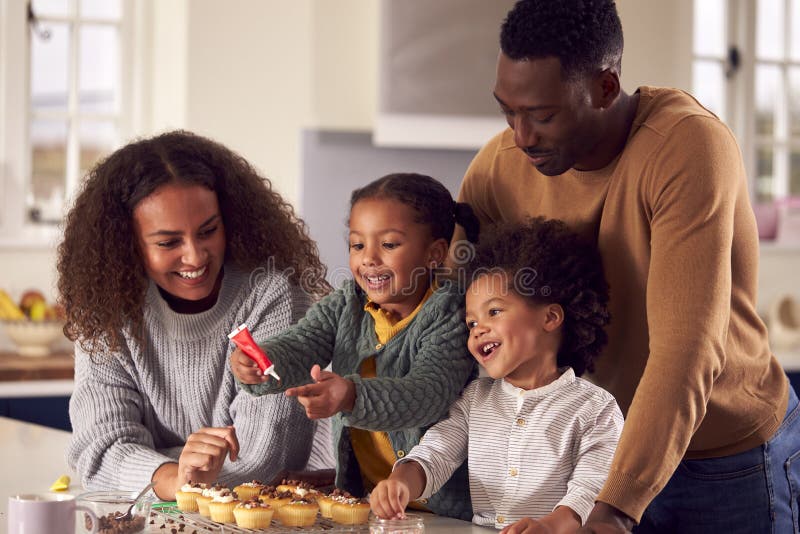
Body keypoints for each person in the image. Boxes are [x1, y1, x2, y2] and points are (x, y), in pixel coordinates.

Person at [452, 1, 800, 532]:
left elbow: (686, 353)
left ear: (606, 88)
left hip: (720, 458)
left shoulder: (686, 147)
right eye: (508, 112)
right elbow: (438, 309)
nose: (521, 136)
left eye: (542, 115)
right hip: (596, 457)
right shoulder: (501, 166)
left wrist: (612, 510)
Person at [59, 130, 335, 501]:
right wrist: (176, 476)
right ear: (127, 244)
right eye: (168, 242)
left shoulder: (274, 296)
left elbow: (266, 464)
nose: (195, 257)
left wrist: (151, 469)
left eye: (208, 231)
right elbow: (98, 453)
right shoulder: (106, 305)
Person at [230, 172, 480, 520]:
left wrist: (351, 396)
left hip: (444, 510)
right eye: (357, 245)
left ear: (434, 253)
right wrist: (261, 362)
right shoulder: (347, 303)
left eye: (389, 245)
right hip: (371, 502)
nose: (369, 259)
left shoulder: (449, 313)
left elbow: (428, 394)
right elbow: (303, 342)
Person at [371, 218, 624, 533]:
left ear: (550, 317)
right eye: (471, 323)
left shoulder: (594, 408)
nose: (479, 331)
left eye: (494, 312)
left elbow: (591, 487)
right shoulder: (476, 398)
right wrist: (400, 483)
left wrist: (550, 527)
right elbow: (435, 452)